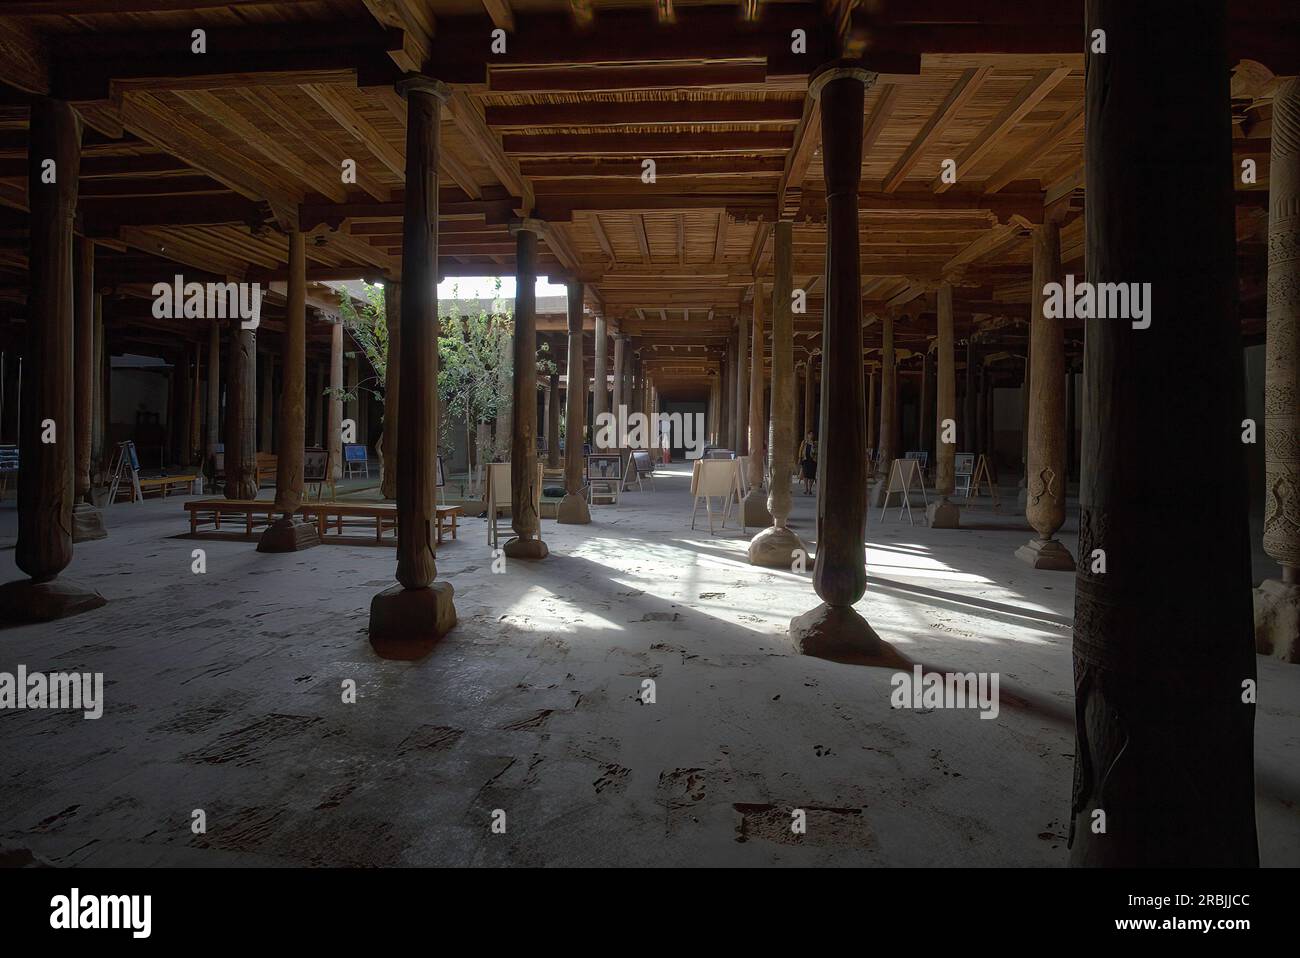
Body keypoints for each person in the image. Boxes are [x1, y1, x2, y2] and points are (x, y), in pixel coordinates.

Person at [798, 431, 817, 495]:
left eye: (812, 434)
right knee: (805, 475)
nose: (811, 436)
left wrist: (813, 445)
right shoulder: (804, 442)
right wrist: (800, 458)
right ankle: (806, 489)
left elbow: (816, 452)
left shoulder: (815, 443)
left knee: (811, 475)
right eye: (810, 434)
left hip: (812, 461)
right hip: (805, 460)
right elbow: (801, 450)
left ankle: (810, 489)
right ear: (808, 435)